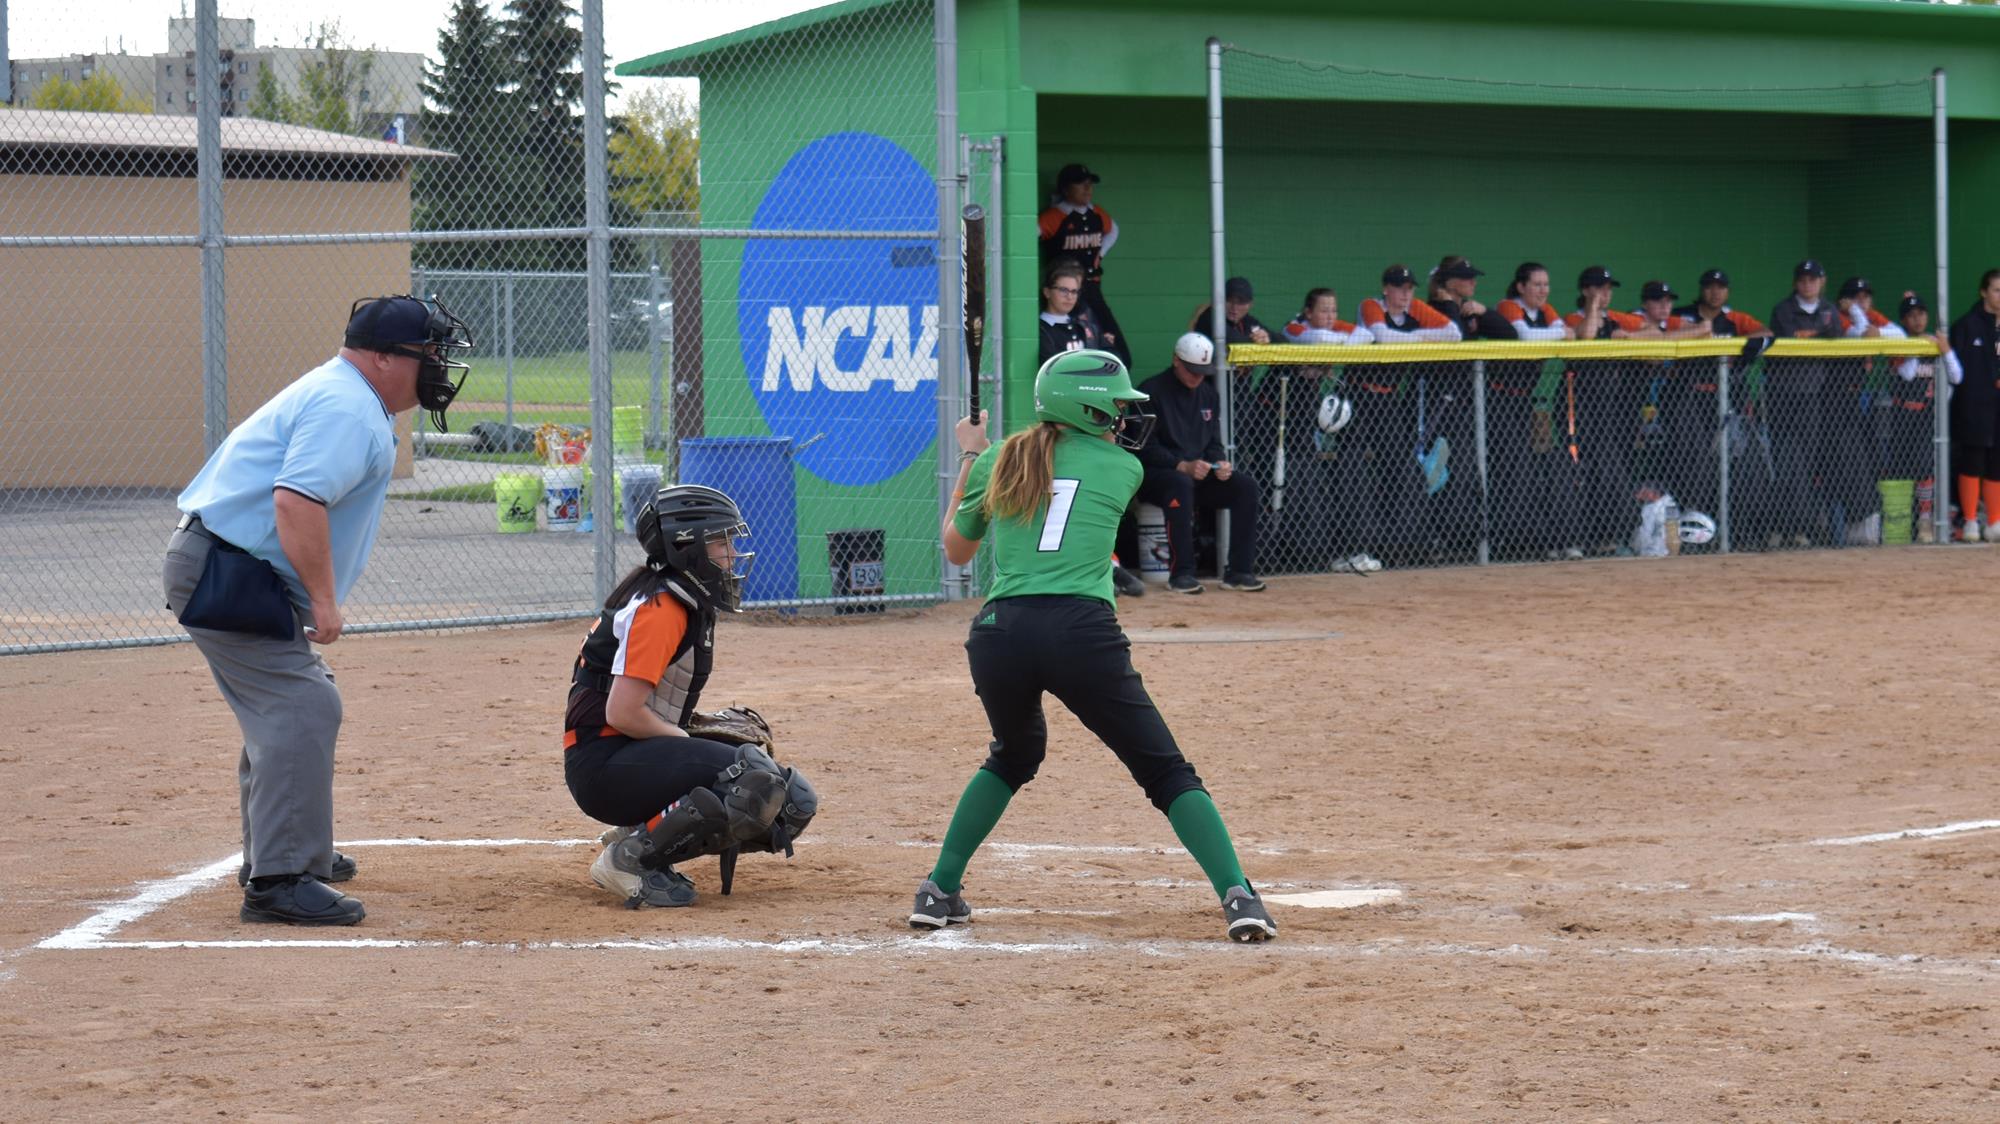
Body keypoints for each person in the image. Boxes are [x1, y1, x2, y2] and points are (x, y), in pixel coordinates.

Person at [912, 349, 1277, 942]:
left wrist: (973, 455)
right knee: (1164, 771)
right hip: (1081, 632)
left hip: (1000, 633)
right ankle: (1240, 897)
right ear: (1083, 408)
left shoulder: (999, 461)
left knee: (1011, 756)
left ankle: (937, 888)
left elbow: (956, 550)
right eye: (1112, 410)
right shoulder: (1121, 467)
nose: (1119, 420)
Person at [163, 294, 472, 925]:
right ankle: (279, 879)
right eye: (428, 353)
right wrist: (325, 601)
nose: (438, 366)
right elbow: (296, 501)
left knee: (290, 705)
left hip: (231, 566)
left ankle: (282, 851)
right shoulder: (346, 407)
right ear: (384, 358)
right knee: (300, 706)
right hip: (229, 570)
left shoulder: (351, 396)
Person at [566, 485, 817, 909]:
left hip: (624, 753)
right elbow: (623, 712)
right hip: (603, 765)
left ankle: (645, 830)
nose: (731, 552)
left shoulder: (679, 598)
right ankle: (629, 858)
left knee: (791, 800)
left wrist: (697, 737)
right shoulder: (661, 608)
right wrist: (687, 744)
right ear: (688, 547)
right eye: (721, 541)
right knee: (751, 779)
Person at [1135, 333, 1268, 593]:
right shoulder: (1150, 391)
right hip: (1158, 475)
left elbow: (1213, 443)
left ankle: (1239, 572)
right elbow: (1144, 448)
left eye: (1202, 371)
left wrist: (1220, 463)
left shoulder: (1208, 394)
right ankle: (1181, 574)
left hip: (1197, 473)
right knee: (1180, 483)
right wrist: (1181, 465)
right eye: (1192, 370)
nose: (1197, 377)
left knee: (1245, 487)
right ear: (1176, 360)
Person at [1491, 262, 1576, 559]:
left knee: (1532, 466)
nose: (1543, 290)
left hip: (1523, 400)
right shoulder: (1508, 306)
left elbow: (1568, 334)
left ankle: (1534, 537)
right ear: (1521, 287)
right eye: (1536, 285)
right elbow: (1525, 336)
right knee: (1513, 467)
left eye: (1546, 284)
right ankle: (1509, 540)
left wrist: (1554, 333)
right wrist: (1555, 334)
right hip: (1498, 399)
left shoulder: (1546, 311)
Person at [1766, 259, 1845, 547]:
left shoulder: (1828, 310)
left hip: (1815, 393)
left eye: (1813, 279)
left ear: (1822, 281)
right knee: (1786, 463)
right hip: (1784, 394)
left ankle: (1797, 528)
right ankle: (1780, 527)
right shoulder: (1784, 309)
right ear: (1795, 283)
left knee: (1806, 462)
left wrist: (1819, 337)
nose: (1808, 284)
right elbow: (1793, 340)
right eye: (1803, 279)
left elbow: (1835, 338)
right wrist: (1820, 336)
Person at [1037, 163, 1129, 365]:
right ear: (1065, 188)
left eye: (1089, 184)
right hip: (1063, 291)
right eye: (1080, 184)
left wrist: (1101, 253)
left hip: (1092, 288)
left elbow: (1113, 230)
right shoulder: (1055, 216)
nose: (1087, 188)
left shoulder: (1096, 214)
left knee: (1118, 354)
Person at [1889, 292, 1958, 541]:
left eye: (1920, 314)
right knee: (1913, 469)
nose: (1917, 320)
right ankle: (1916, 521)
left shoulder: (1936, 343)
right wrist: (1918, 348)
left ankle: (1928, 520)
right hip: (1905, 417)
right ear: (1904, 321)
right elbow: (1907, 374)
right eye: (1911, 316)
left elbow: (1957, 376)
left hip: (1932, 417)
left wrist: (1944, 349)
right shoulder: (1901, 344)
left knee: (1932, 468)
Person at [1948, 269, 2000, 542]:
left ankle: (1993, 522)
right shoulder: (1966, 326)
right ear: (1983, 292)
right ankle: (1969, 522)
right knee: (1973, 462)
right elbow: (1955, 373)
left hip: (1997, 409)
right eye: (1996, 290)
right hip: (1973, 408)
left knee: (1996, 465)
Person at [1037, 260, 1107, 365]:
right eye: (1063, 290)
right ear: (1047, 292)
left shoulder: (1083, 324)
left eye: (1074, 291)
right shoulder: (1041, 329)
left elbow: (1111, 355)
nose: (1069, 297)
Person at [1190, 275, 1274, 345]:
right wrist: (1256, 340)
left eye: (1241, 302)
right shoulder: (1210, 317)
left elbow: (1279, 339)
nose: (1234, 307)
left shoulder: (1246, 320)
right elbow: (1233, 339)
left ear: (1250, 304)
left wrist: (1266, 336)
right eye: (1229, 301)